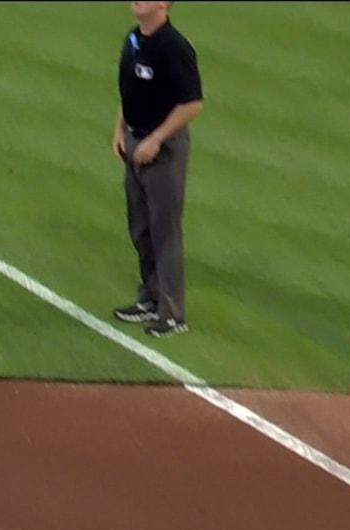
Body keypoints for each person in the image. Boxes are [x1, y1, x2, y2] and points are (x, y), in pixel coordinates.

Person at [111, 0, 204, 337]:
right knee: (140, 227)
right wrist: (119, 129)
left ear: (163, 4)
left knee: (164, 230)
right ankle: (149, 298)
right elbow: (129, 90)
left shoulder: (173, 47)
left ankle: (172, 313)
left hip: (163, 150)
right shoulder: (134, 40)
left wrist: (157, 139)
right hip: (135, 142)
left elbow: (192, 102)